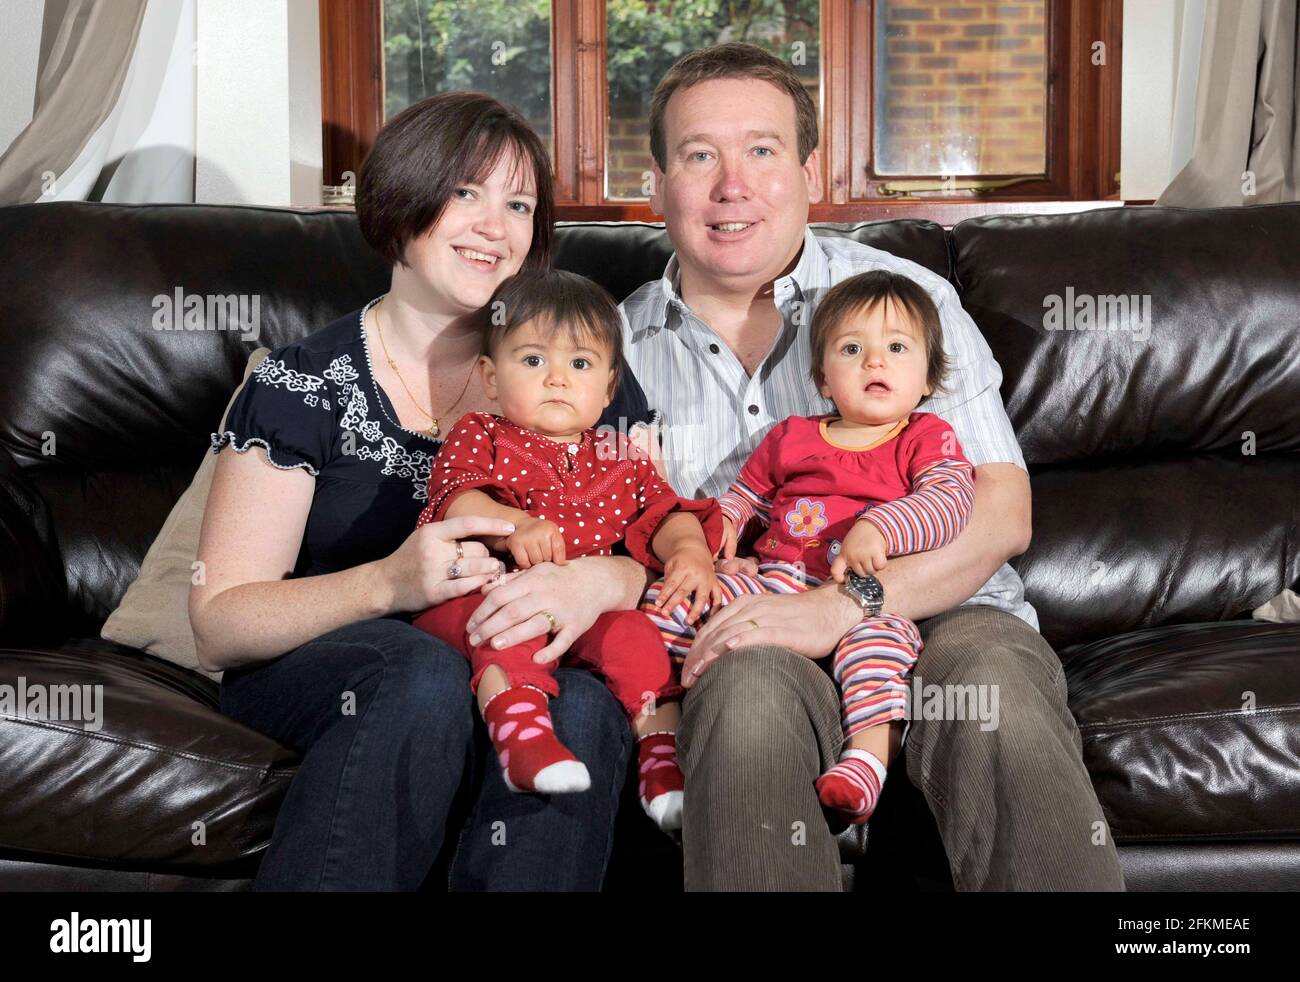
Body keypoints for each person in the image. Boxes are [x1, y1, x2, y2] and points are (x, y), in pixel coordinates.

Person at [620, 42, 1125, 890]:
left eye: (762, 150)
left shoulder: (901, 301)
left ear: (808, 171)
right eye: (699, 155)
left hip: (946, 614)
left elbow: (1003, 515)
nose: (731, 184)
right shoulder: (612, 349)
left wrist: (846, 605)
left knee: (992, 689)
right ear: (660, 182)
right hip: (755, 627)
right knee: (741, 702)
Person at [190, 92, 651, 891]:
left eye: (518, 204)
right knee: (421, 675)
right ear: (404, 203)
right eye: (465, 193)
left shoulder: (578, 368)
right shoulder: (303, 385)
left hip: (523, 657)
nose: (493, 226)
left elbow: (657, 525)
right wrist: (386, 584)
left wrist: (606, 577)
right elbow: (220, 623)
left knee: (581, 703)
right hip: (334, 667)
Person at [643, 269, 975, 827]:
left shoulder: (925, 435)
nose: (875, 362)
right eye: (853, 349)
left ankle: (867, 759)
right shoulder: (791, 435)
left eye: (897, 348)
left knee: (880, 648)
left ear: (927, 378)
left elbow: (950, 500)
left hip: (865, 596)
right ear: (823, 379)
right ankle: (663, 738)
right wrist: (719, 536)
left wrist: (882, 528)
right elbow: (743, 497)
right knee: (672, 601)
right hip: (776, 577)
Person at [410, 269, 722, 830]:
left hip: (586, 615)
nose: (556, 378)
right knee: (513, 622)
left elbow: (667, 514)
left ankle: (660, 757)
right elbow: (456, 494)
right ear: (491, 376)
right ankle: (521, 734)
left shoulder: (623, 454)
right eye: (532, 361)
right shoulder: (483, 433)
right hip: (482, 597)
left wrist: (690, 552)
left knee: (638, 636)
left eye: (579, 364)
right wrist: (512, 524)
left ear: (607, 388)